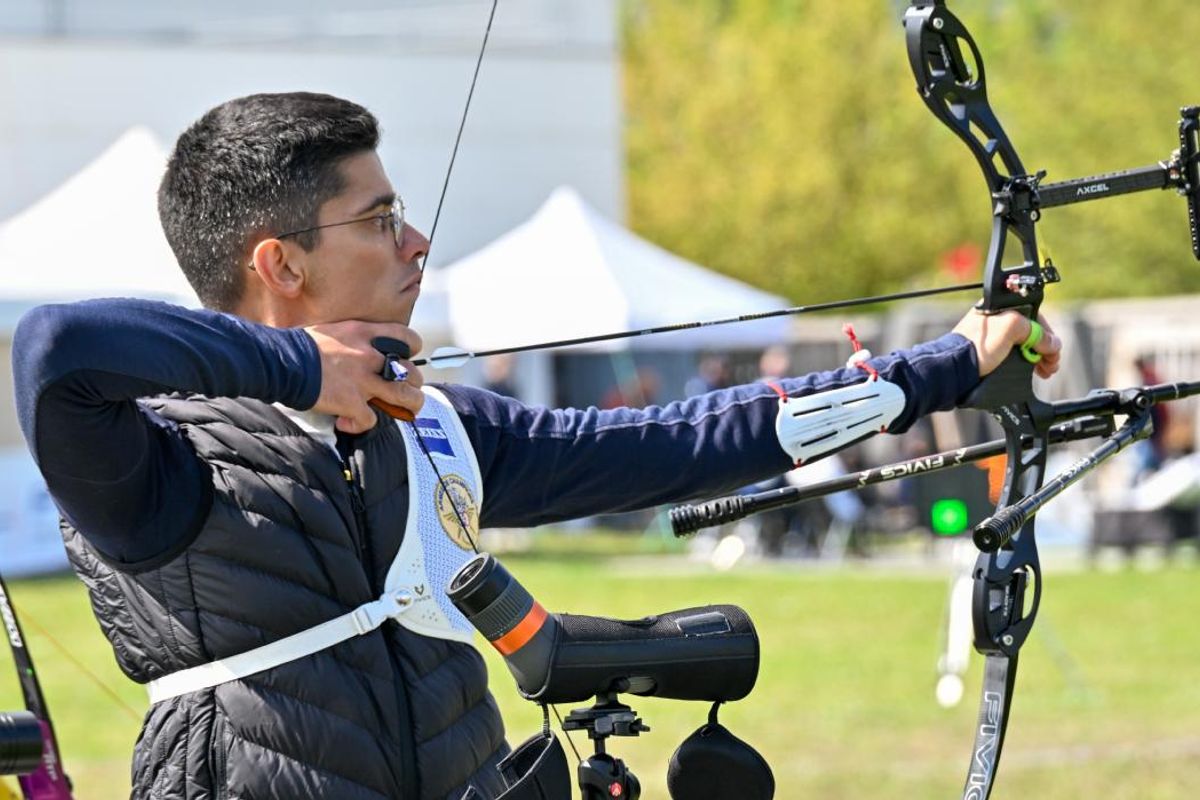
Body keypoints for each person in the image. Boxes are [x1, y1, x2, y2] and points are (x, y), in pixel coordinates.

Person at [11, 92, 1062, 800]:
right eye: (380, 220)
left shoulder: (434, 424)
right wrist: (299, 371)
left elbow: (684, 438)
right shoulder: (156, 459)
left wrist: (943, 366)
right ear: (279, 262)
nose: (416, 243)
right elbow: (54, 347)